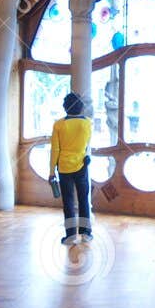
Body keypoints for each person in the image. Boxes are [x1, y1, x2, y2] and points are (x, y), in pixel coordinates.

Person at [49, 91, 93, 246]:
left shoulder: (59, 124)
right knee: (83, 200)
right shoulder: (87, 123)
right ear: (80, 107)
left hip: (64, 167)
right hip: (81, 165)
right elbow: (87, 143)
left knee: (68, 202)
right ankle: (86, 233)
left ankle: (70, 236)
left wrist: (51, 171)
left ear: (65, 107)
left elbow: (55, 149)